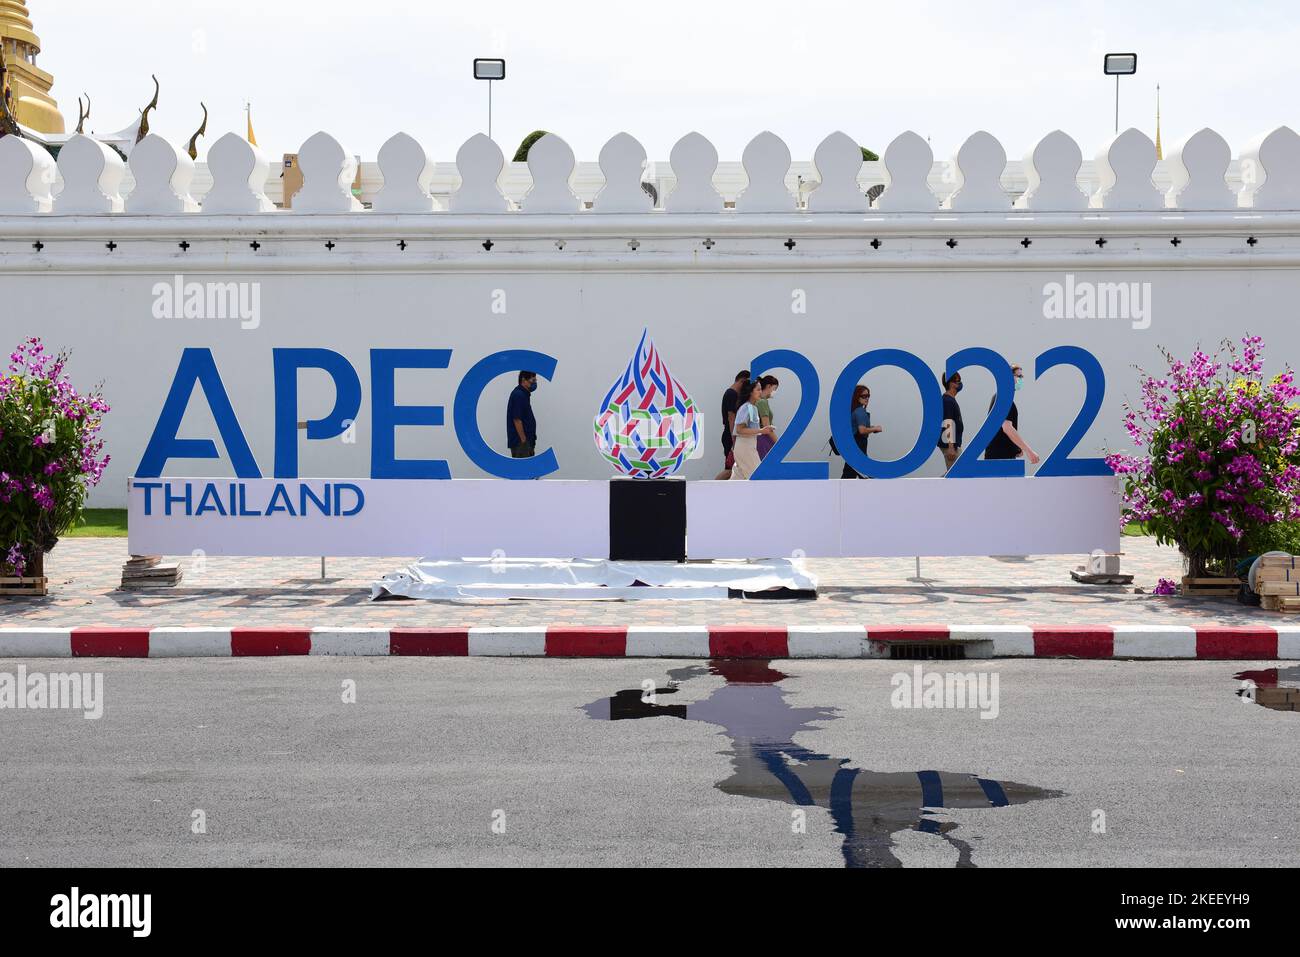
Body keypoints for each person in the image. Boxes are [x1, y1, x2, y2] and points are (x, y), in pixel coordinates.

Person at [983, 363, 1040, 465]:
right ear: (1009, 378)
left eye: (1022, 376)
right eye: (1018, 376)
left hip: (1001, 457)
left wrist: (1016, 448)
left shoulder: (1001, 398)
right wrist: (1029, 451)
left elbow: (1001, 430)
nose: (1021, 379)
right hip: (999, 459)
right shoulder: (1004, 399)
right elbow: (1007, 428)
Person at [729, 379, 774, 480]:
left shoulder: (752, 407)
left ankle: (720, 495)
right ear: (750, 392)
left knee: (735, 482)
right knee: (758, 477)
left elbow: (744, 429)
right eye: (758, 390)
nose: (760, 392)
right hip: (746, 448)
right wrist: (761, 431)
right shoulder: (747, 407)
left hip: (747, 446)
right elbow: (740, 430)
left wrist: (762, 430)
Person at [715, 369, 750, 480]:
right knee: (730, 469)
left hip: (731, 434)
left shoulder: (731, 394)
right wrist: (734, 439)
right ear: (742, 381)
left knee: (736, 469)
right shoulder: (732, 394)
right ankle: (713, 486)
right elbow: (731, 418)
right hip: (730, 435)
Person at [842, 384, 883, 478]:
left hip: (854, 445)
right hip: (859, 445)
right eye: (863, 396)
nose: (867, 398)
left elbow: (859, 427)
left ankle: (839, 492)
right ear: (857, 397)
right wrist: (875, 428)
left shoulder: (854, 411)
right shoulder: (860, 411)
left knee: (849, 473)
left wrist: (872, 428)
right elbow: (862, 430)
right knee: (867, 473)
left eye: (868, 396)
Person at [507, 370, 538, 458]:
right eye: (533, 381)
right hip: (521, 444)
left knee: (528, 470)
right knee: (522, 471)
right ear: (524, 380)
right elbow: (517, 419)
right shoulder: (519, 395)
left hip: (526, 442)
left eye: (535, 381)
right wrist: (524, 440)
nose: (535, 384)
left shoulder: (524, 394)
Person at [938, 371, 964, 472]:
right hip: (950, 446)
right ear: (951, 384)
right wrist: (951, 447)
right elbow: (948, 422)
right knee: (956, 474)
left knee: (956, 472)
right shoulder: (947, 401)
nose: (960, 384)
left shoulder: (950, 400)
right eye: (958, 381)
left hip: (954, 445)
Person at [755, 375, 780, 459]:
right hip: (764, 439)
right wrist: (779, 443)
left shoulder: (757, 400)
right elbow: (767, 426)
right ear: (769, 386)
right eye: (775, 388)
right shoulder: (762, 402)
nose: (775, 392)